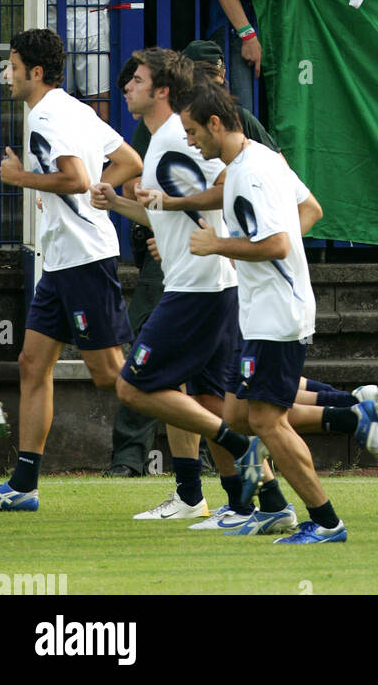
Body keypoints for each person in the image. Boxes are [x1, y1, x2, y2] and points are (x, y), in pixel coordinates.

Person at [182, 77, 378, 545]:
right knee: (237, 414)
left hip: (277, 315)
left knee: (265, 421)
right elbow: (310, 209)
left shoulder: (251, 173)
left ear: (216, 123)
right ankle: (285, 494)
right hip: (262, 310)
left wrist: (218, 244)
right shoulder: (261, 159)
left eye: (194, 132)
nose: (192, 143)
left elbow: (276, 243)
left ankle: (325, 521)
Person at [90, 48, 254, 523]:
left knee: (133, 385)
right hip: (205, 283)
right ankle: (234, 504)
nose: (127, 87)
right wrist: (119, 206)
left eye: (137, 80)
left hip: (199, 287)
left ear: (162, 90)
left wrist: (214, 233)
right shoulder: (163, 140)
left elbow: (229, 182)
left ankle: (230, 447)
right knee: (204, 400)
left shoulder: (174, 141)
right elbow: (170, 214)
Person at [0, 29, 141, 510]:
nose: (5, 75)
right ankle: (25, 485)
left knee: (111, 374)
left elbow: (73, 178)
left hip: (85, 260)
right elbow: (128, 162)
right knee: (33, 364)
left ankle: (216, 423)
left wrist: (21, 178)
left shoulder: (49, 115)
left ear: (34, 72)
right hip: (62, 261)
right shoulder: (74, 107)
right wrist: (99, 193)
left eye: (11, 66)